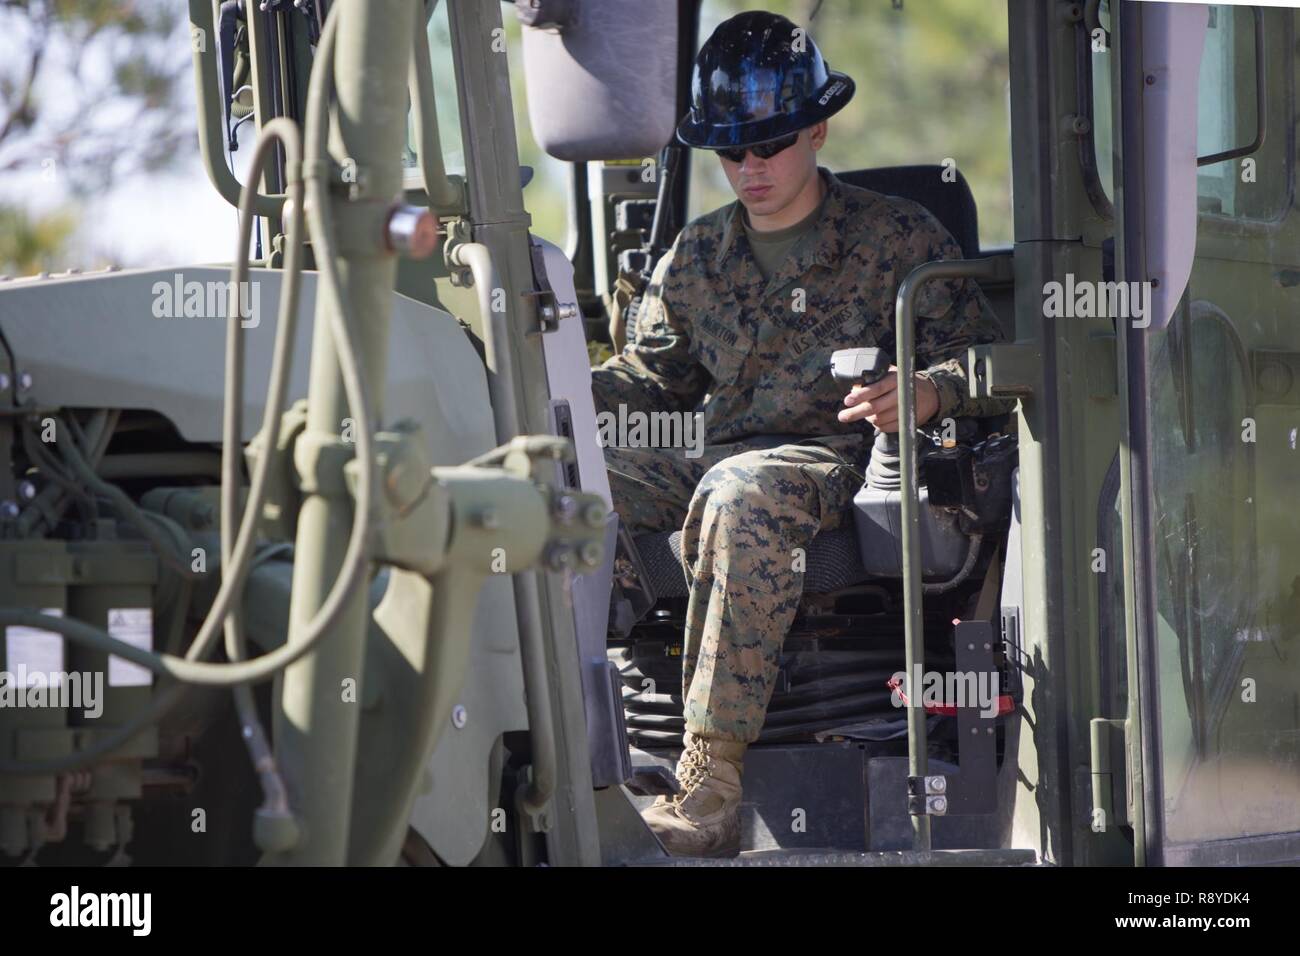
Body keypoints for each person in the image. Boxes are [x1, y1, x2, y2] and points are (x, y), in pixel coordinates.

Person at [590, 10, 1012, 857]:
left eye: (770, 145)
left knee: (740, 493)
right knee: (564, 474)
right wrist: (541, 381)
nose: (749, 168)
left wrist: (929, 391)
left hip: (845, 463)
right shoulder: (696, 257)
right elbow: (647, 383)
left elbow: (989, 362)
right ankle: (571, 743)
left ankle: (708, 784)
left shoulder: (896, 240)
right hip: (723, 460)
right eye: (731, 152)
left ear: (817, 128)